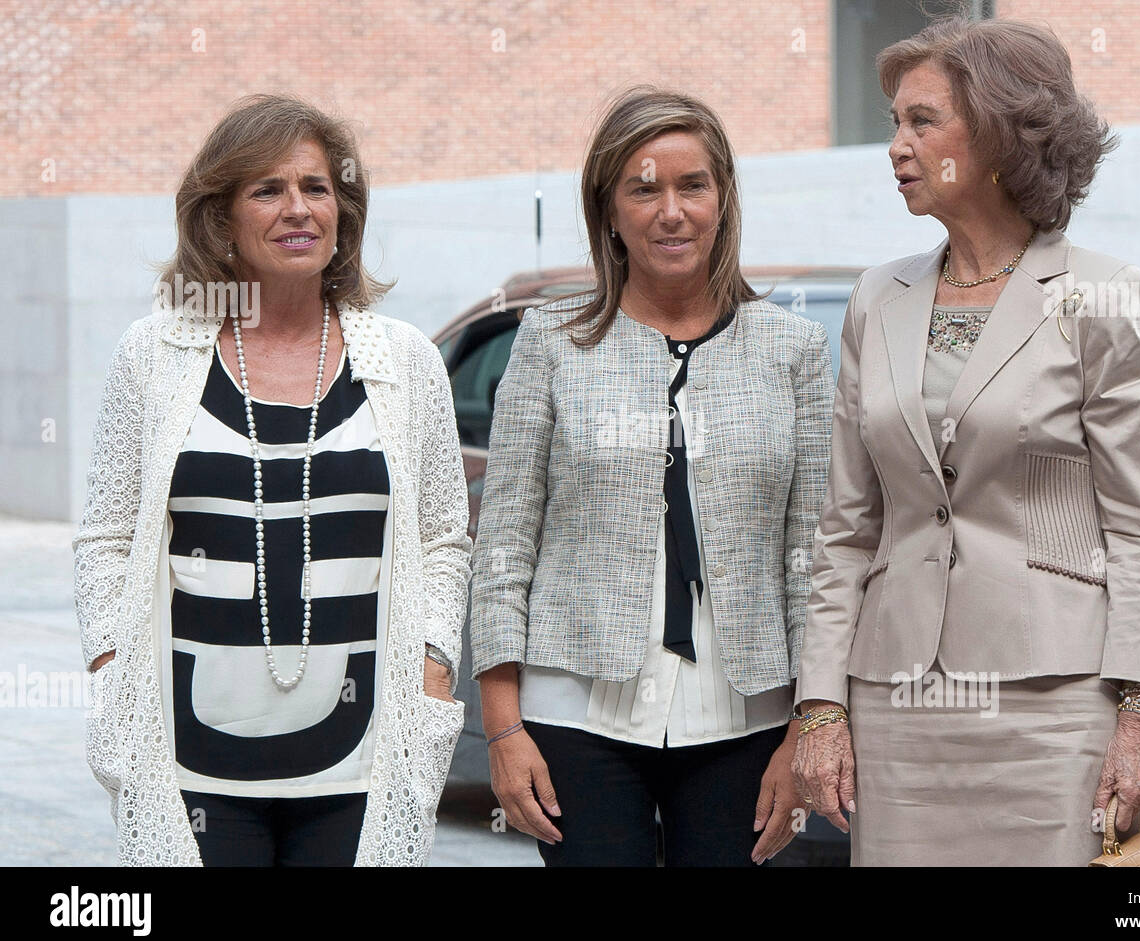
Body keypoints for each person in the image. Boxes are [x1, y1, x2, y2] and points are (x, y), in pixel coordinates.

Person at [793, 18, 1140, 866]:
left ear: (1002, 130)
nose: (896, 145)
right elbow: (847, 529)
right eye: (894, 122)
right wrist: (820, 708)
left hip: (1055, 701)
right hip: (894, 703)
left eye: (921, 121)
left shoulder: (1103, 294)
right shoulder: (876, 297)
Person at [74, 94, 470, 866]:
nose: (299, 210)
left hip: (362, 759)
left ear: (343, 210)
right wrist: (112, 667)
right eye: (268, 190)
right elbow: (107, 537)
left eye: (316, 188)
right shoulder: (154, 355)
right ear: (221, 218)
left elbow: (444, 538)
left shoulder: (404, 361)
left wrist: (430, 663)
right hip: (188, 757)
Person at [470, 86, 834, 866]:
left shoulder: (794, 351)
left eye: (692, 185)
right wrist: (504, 728)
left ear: (722, 200)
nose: (671, 211)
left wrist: (808, 726)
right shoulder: (550, 343)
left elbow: (814, 562)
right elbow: (502, 547)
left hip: (750, 720)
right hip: (574, 717)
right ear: (609, 210)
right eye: (643, 188)